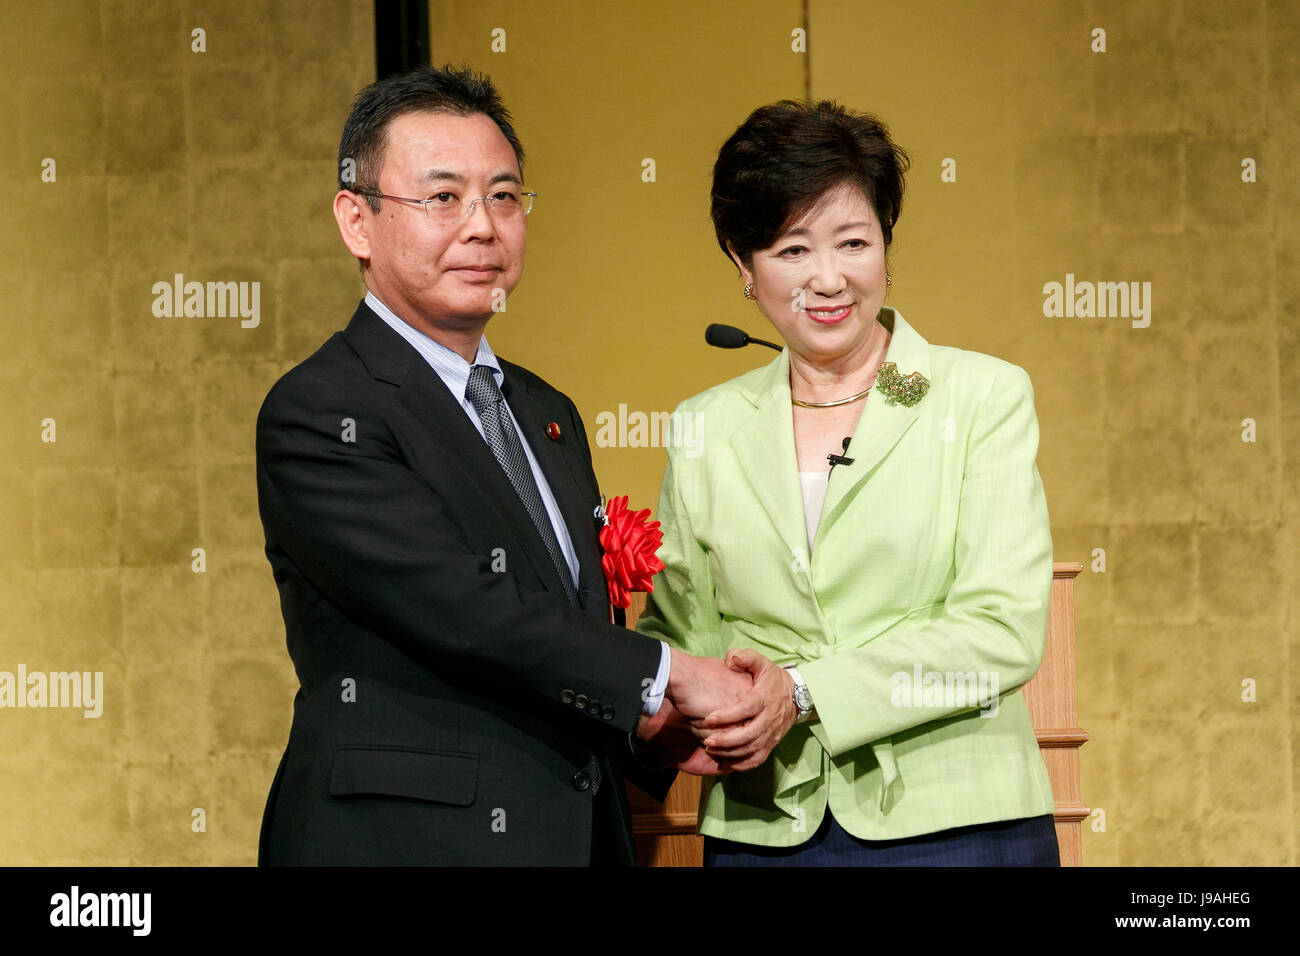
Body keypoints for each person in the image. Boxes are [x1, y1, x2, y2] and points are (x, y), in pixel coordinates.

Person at [254, 66, 751, 866]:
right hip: (402, 845)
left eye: (505, 196)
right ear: (357, 221)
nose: (482, 227)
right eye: (443, 198)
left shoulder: (545, 411)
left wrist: (647, 730)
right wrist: (668, 673)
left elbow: (566, 638)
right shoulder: (320, 410)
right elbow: (464, 609)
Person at [634, 100, 1061, 865]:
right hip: (768, 824)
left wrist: (803, 690)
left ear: (886, 249)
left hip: (956, 822)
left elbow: (1000, 628)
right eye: (792, 250)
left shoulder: (978, 396)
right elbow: (682, 636)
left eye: (854, 242)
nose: (827, 279)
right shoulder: (706, 425)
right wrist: (672, 708)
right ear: (743, 265)